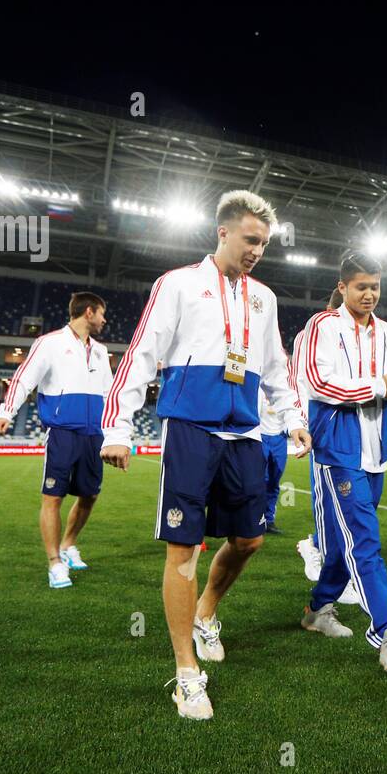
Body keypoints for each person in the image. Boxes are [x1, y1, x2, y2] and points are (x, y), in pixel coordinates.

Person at [100, 190, 311, 721]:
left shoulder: (264, 298)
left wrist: (294, 419)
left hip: (245, 433)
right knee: (185, 549)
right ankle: (187, 674)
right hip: (190, 430)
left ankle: (206, 612)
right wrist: (117, 427)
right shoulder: (177, 284)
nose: (257, 250)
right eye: (249, 239)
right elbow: (141, 353)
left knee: (250, 538)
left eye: (263, 243)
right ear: (222, 232)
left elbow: (276, 366)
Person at [296, 252, 387, 672]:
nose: (369, 294)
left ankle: (316, 609)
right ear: (343, 286)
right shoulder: (322, 325)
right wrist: (378, 386)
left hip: (376, 445)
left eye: (375, 287)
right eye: (361, 287)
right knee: (365, 540)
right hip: (337, 444)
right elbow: (317, 382)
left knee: (342, 540)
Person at [0, 292, 112, 590]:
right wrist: (7, 411)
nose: (104, 320)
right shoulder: (50, 343)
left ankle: (68, 546)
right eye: (101, 314)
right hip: (62, 431)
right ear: (88, 312)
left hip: (94, 434)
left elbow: (110, 394)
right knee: (53, 497)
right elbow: (24, 378)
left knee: (90, 495)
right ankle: (54, 563)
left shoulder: (100, 350)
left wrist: (115, 432)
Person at [257, 391, 287, 534]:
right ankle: (256, 518)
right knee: (261, 480)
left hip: (280, 438)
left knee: (274, 481)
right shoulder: (259, 386)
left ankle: (269, 520)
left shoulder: (284, 389)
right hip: (261, 435)